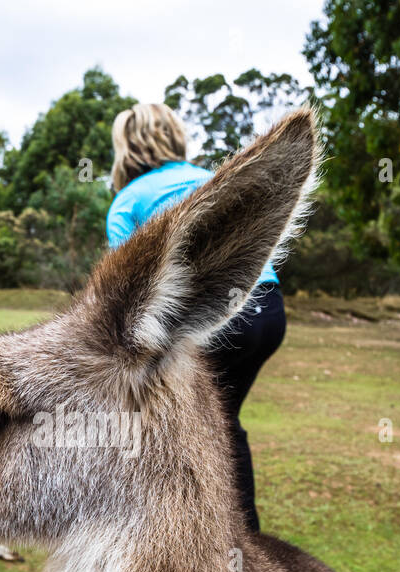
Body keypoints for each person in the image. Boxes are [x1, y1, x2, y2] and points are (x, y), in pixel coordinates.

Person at [107, 103, 287, 533]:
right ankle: (243, 536)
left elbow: (125, 295)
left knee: (169, 429)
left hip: (212, 321)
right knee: (223, 422)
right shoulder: (207, 178)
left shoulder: (128, 200)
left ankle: (184, 535)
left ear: (125, 147)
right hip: (268, 309)